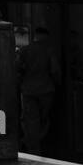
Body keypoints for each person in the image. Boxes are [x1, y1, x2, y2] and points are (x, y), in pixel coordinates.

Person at [17, 24, 61, 156]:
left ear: (35, 36)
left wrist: (20, 84)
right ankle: (36, 144)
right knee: (43, 119)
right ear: (46, 37)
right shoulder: (49, 51)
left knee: (30, 120)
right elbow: (55, 70)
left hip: (28, 90)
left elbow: (17, 69)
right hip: (46, 90)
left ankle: (32, 146)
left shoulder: (25, 50)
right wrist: (57, 83)